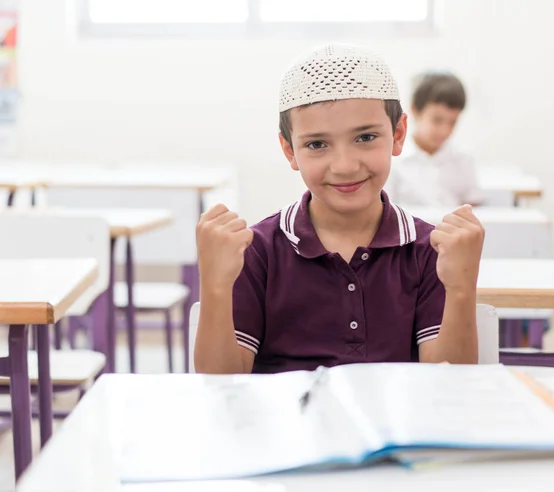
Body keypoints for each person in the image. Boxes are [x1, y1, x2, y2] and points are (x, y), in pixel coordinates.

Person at [194, 44, 484, 374]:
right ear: (290, 151)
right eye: (317, 144)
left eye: (365, 137)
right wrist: (215, 285)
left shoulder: (428, 250)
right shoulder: (258, 251)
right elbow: (220, 387)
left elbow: (450, 385)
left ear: (399, 134)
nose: (344, 166)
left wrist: (461, 288)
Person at [387, 71, 482, 207]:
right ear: (415, 110)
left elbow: (474, 208)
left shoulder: (464, 160)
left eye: (452, 122)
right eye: (437, 120)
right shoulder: (394, 161)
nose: (445, 130)